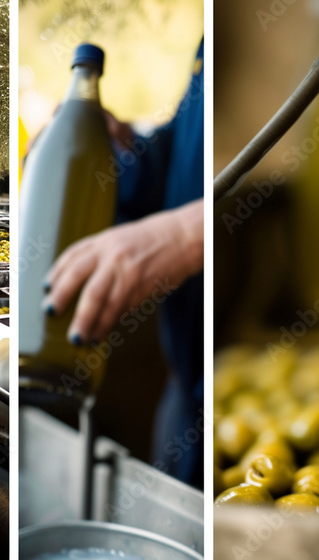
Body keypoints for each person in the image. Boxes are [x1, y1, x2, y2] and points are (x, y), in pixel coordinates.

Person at [46, 39, 204, 487]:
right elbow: (180, 154)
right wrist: (125, 150)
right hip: (184, 395)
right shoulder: (203, 45)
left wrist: (186, 233)